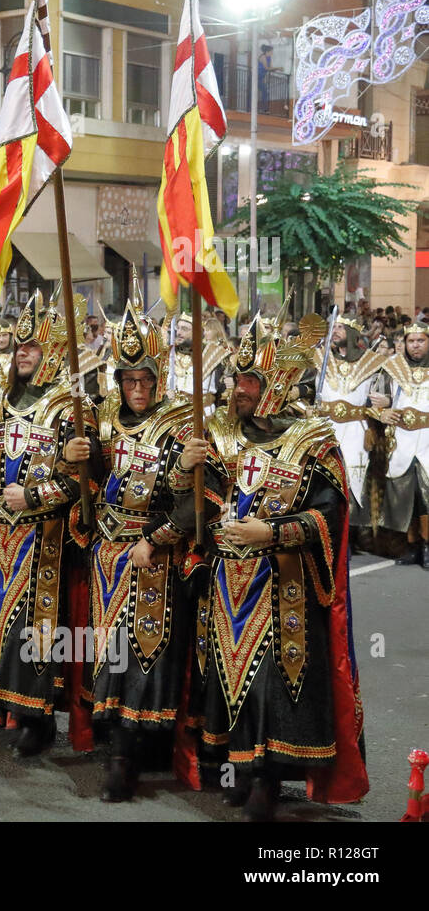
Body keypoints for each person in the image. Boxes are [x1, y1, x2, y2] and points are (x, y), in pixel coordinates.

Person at [200, 312, 368, 820]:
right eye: (236, 379)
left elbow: (330, 517)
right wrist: (194, 475)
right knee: (231, 677)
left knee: (273, 681)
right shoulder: (221, 433)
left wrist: (271, 533)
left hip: (284, 584)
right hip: (228, 579)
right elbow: (206, 497)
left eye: (250, 381)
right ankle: (239, 765)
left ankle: (268, 779)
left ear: (275, 384)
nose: (239, 389)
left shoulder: (314, 439)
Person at [85, 286, 218, 802]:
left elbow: (202, 499)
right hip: (106, 555)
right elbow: (93, 484)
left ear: (158, 379)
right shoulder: (103, 418)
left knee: (148, 649)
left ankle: (130, 753)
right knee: (110, 649)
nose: (136, 389)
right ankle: (115, 738)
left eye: (144, 380)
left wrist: (157, 537)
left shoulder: (183, 422)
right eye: (128, 380)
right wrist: (82, 455)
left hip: (154, 558)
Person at [0, 289, 100, 757]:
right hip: (1, 528)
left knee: (36, 625)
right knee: (2, 618)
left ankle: (37, 716)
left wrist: (32, 497)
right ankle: (6, 705)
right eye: (19, 346)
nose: (22, 353)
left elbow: (83, 481)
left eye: (32, 347)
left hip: (46, 535)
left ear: (50, 353)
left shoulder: (70, 406)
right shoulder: (0, 398)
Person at [313, 317, 389, 539]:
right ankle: (327, 526)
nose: (334, 331)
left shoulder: (373, 363)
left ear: (354, 333)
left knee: (355, 477)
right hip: (326, 427)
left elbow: (383, 393)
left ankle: (354, 532)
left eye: (340, 327)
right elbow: (308, 387)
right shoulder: (322, 358)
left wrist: (385, 401)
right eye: (333, 327)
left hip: (356, 428)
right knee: (324, 475)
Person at [373, 321, 429, 567]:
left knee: (426, 495)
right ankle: (411, 544)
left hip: (427, 437)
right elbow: (379, 402)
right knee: (406, 495)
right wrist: (382, 411)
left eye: (421, 340)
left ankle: (427, 546)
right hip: (402, 440)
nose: (415, 345)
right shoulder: (393, 368)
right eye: (411, 341)